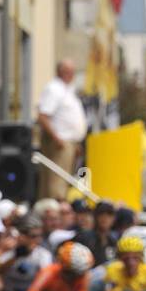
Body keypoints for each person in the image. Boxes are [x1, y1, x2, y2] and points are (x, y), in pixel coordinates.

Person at [36, 60, 88, 201]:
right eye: (67, 71)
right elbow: (43, 116)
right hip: (60, 142)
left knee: (64, 180)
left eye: (72, 72)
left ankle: (59, 205)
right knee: (56, 182)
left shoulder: (68, 90)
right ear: (59, 72)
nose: (71, 75)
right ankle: (55, 208)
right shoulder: (54, 89)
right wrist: (56, 138)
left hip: (68, 141)